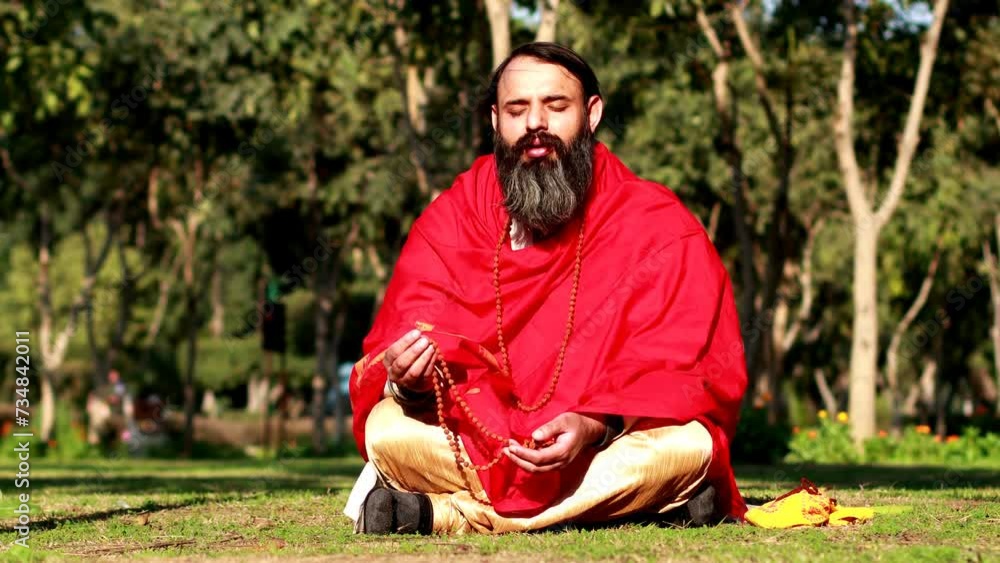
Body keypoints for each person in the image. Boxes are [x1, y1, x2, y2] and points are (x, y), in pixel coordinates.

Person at [345, 42, 748, 535]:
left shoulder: (655, 224)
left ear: (591, 113)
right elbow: (403, 342)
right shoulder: (456, 215)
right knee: (387, 429)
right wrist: (404, 382)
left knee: (689, 448)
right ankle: (627, 508)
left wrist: (599, 423)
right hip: (484, 443)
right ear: (496, 120)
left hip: (601, 449)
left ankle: (449, 515)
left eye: (556, 107)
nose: (536, 124)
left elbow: (690, 376)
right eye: (518, 109)